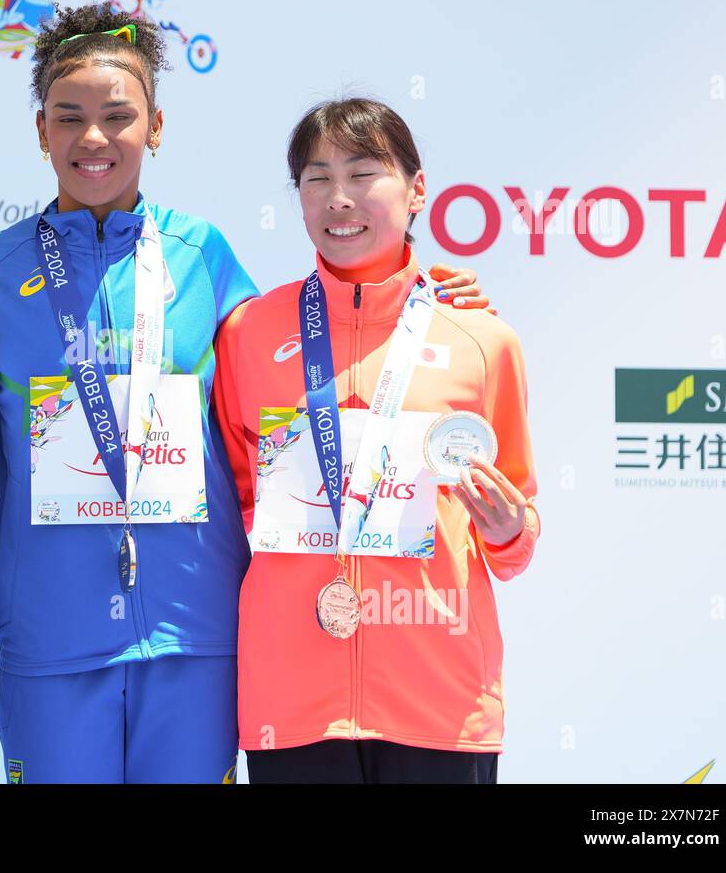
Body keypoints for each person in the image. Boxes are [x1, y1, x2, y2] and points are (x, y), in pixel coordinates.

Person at [0, 5, 490, 783]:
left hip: (195, 633)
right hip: (52, 635)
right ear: (41, 131)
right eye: (69, 118)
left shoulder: (202, 256)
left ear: (157, 125)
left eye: (119, 116)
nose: (94, 139)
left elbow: (306, 353)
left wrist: (416, 289)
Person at [213, 97, 539, 783]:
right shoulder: (250, 334)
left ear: (417, 190)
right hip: (292, 702)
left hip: (439, 702)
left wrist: (509, 529)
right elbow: (238, 507)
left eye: (364, 174)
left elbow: (515, 539)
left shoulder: (481, 341)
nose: (340, 199)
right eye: (316, 178)